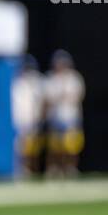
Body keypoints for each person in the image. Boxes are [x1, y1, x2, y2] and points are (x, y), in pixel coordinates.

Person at [43, 49, 84, 178]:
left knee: (71, 147)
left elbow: (76, 97)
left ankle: (70, 168)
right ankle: (55, 168)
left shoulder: (74, 78)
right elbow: (48, 99)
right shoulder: (51, 79)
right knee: (55, 147)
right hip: (55, 117)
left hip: (71, 117)